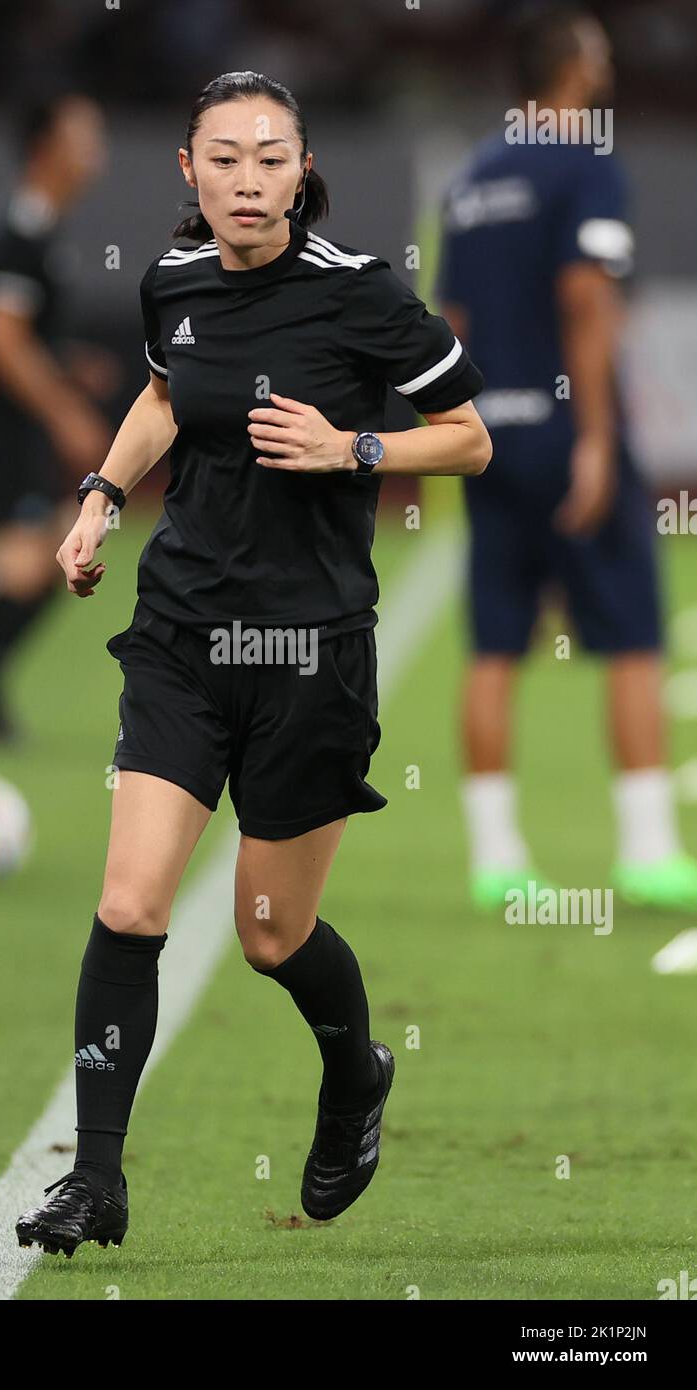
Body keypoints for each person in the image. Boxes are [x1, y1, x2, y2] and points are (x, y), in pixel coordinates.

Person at [15, 70, 490, 1259]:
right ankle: (98, 1184)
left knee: (271, 931)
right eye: (222, 157)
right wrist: (97, 498)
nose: (245, 179)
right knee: (129, 906)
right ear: (188, 170)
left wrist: (354, 446)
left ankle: (354, 1072)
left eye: (268, 157)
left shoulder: (362, 295)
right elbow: (169, 394)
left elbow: (471, 438)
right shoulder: (170, 282)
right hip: (180, 639)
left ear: (301, 168)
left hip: (310, 656)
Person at [437, 4, 697, 913]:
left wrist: (461, 429)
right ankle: (649, 851)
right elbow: (585, 297)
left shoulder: (473, 177)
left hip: (487, 433)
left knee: (495, 643)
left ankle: (495, 857)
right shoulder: (587, 166)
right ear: (574, 66)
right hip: (565, 430)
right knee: (632, 637)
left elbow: (454, 324)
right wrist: (594, 437)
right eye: (599, 49)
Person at [0, 91, 113, 740]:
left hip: (14, 423)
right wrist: (65, 410)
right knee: (36, 560)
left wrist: (64, 361)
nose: (96, 149)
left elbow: (16, 332)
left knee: (52, 555)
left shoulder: (41, 232)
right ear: (47, 148)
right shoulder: (18, 235)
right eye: (85, 135)